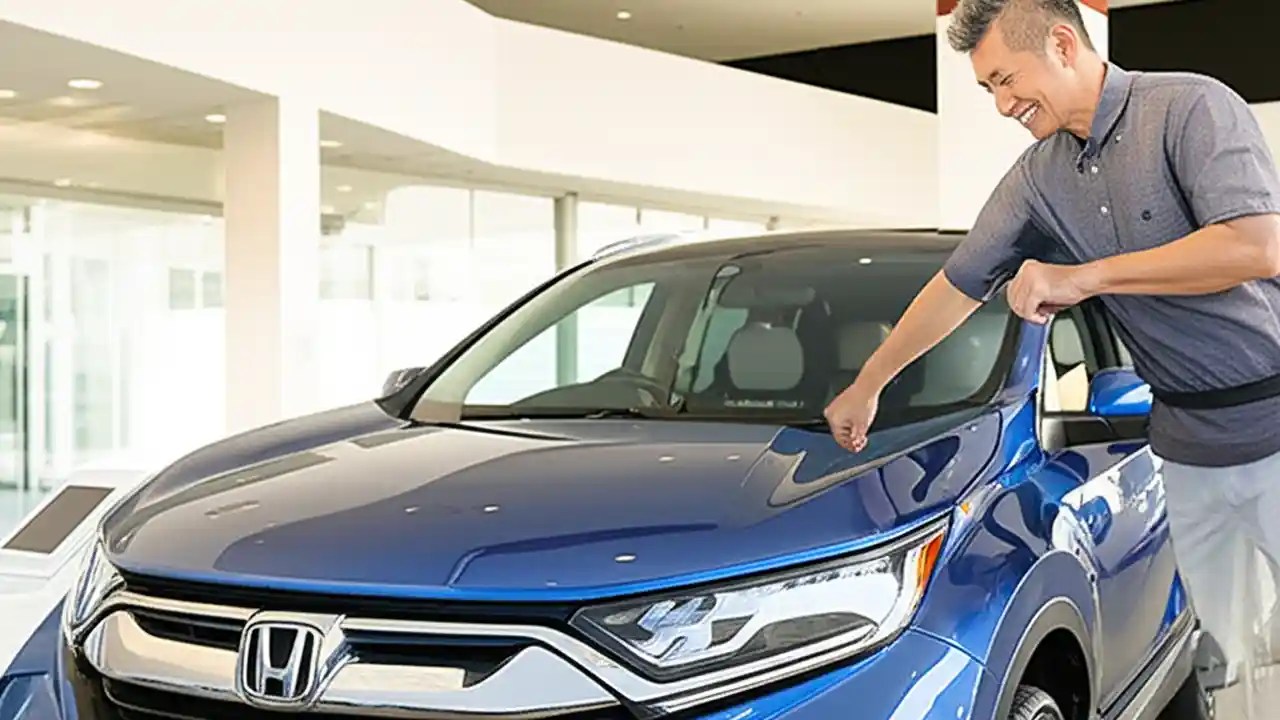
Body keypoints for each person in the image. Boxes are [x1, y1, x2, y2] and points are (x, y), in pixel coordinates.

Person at [824, 0, 1280, 705]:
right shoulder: (1039, 177)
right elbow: (958, 284)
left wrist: (1085, 277)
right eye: (987, 90)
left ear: (1063, 44)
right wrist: (870, 383)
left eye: (1006, 80)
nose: (1002, 104)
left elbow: (1255, 245)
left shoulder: (1191, 108)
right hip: (1186, 445)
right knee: (1232, 653)